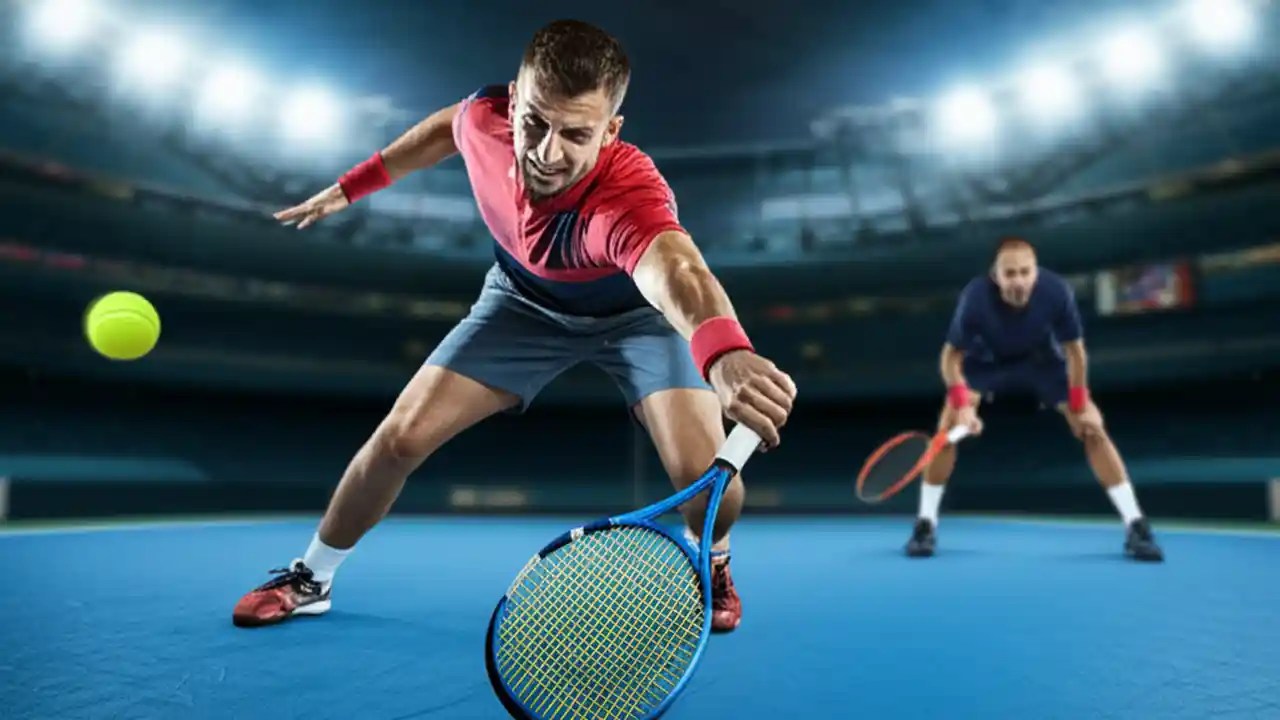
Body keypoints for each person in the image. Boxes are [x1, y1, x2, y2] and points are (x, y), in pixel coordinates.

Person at [231, 19, 797, 633]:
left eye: (576, 134)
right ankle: (312, 577)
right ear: (514, 99)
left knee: (702, 484)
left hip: (640, 321)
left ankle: (713, 557)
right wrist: (352, 187)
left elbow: (679, 271)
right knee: (398, 439)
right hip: (520, 306)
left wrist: (725, 354)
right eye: (535, 122)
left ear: (610, 132)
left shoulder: (628, 197)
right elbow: (443, 130)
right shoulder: (485, 119)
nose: (547, 152)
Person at [906, 237, 1163, 562]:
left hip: (1041, 362)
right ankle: (925, 524)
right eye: (1009, 273)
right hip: (985, 362)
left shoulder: (1057, 292)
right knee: (945, 434)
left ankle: (1136, 526)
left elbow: (1075, 352)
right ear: (995, 276)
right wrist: (962, 405)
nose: (1018, 281)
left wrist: (1079, 400)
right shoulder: (974, 297)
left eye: (1025, 272)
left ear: (1036, 274)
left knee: (1093, 428)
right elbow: (949, 358)